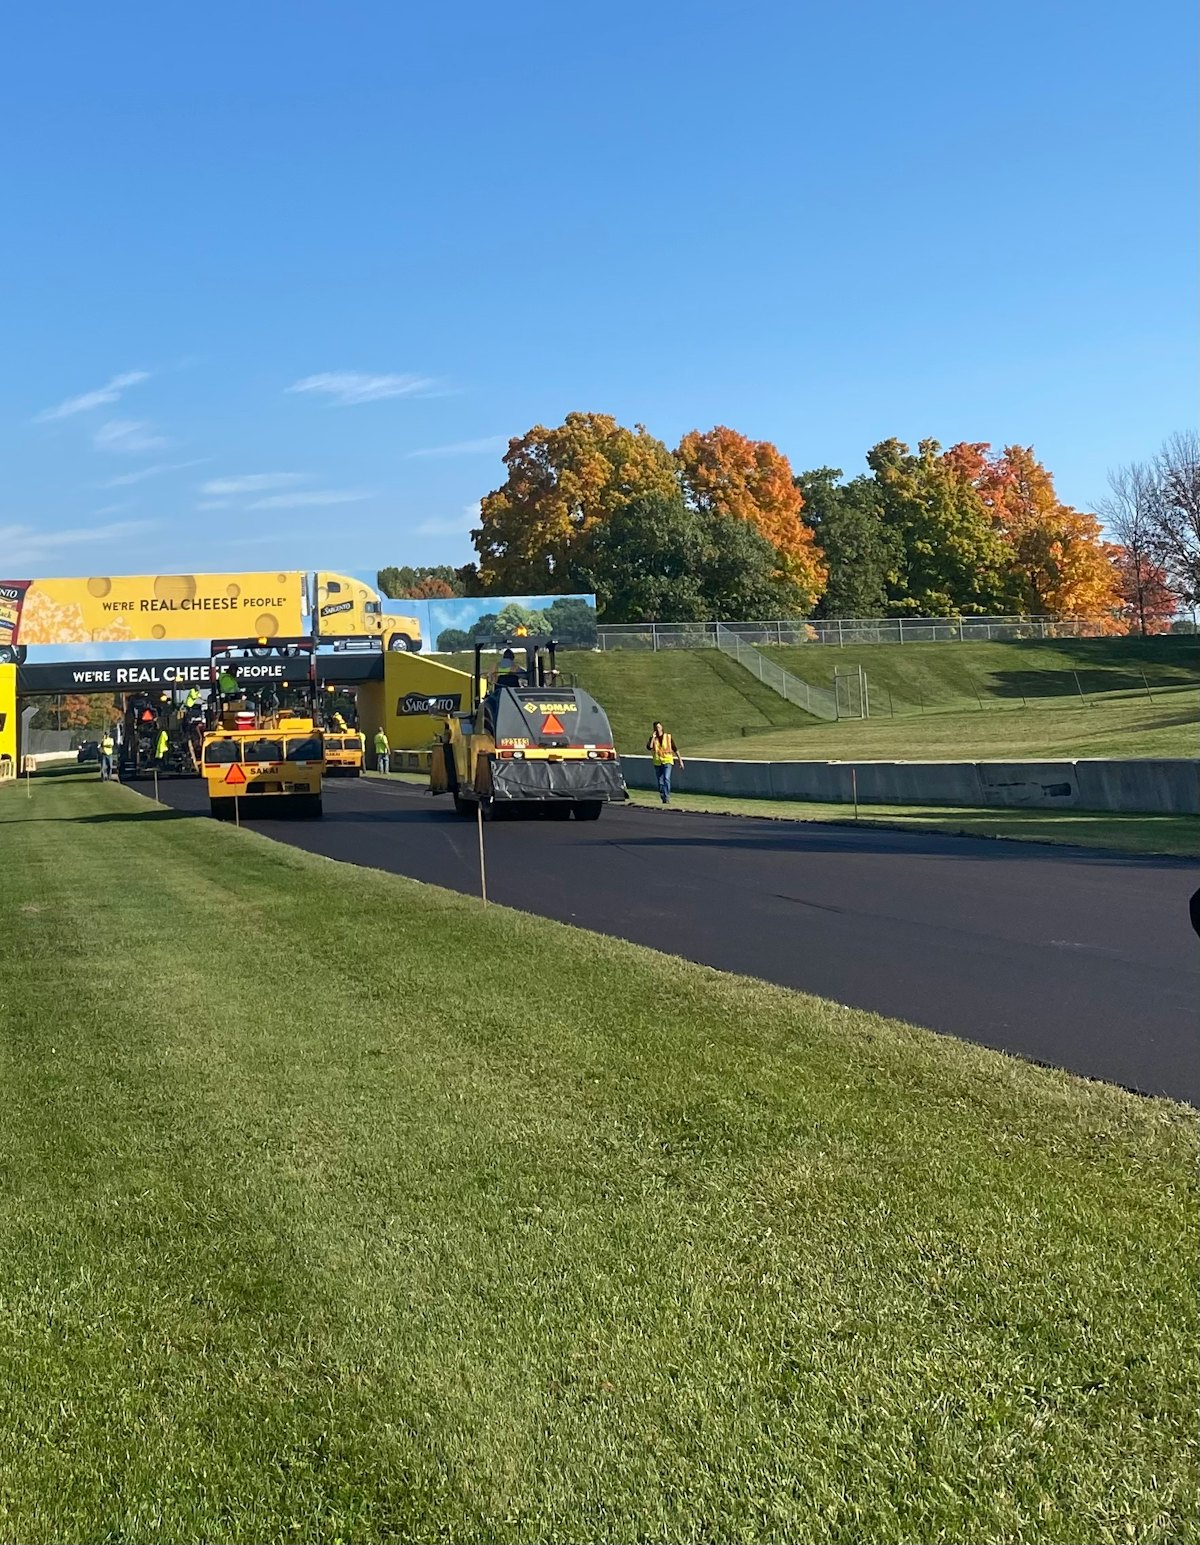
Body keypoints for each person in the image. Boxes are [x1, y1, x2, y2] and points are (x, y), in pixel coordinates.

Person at [646, 720, 683, 805]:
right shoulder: (653, 738)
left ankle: (667, 796)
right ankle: (663, 795)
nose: (657, 729)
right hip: (658, 762)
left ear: (661, 727)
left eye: (658, 727)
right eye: (655, 728)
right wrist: (653, 738)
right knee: (660, 781)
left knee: (666, 778)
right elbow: (649, 747)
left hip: (667, 760)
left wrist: (680, 760)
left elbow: (675, 749)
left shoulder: (667, 737)